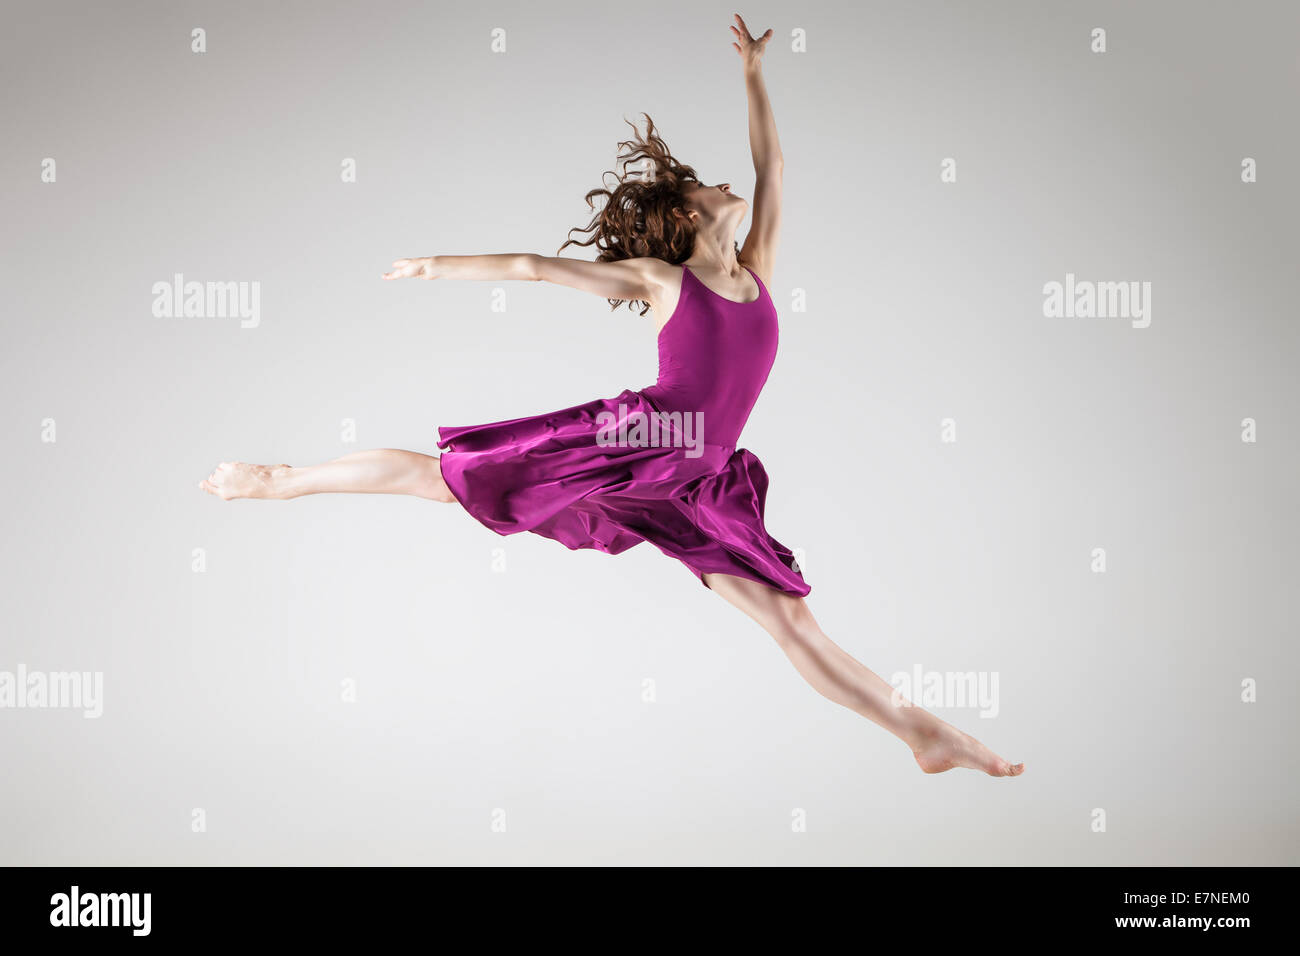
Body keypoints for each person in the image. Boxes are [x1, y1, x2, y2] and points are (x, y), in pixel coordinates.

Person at [200, 14, 1024, 777]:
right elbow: (532, 267)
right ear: (685, 216)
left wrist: (754, 75)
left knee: (790, 622)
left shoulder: (759, 269)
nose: (725, 184)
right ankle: (280, 480)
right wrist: (435, 264)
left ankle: (921, 732)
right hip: (638, 439)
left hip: (701, 481)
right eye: (704, 186)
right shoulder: (664, 278)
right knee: (445, 477)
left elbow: (776, 165)